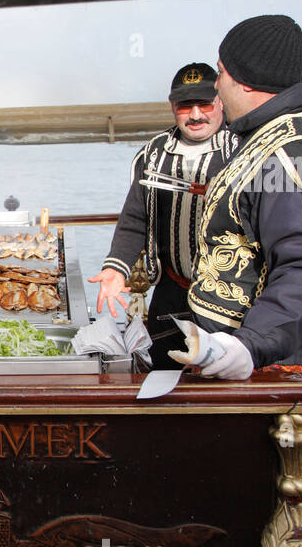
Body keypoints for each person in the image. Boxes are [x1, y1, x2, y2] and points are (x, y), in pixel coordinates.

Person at [172, 14, 302, 380]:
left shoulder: (284, 156)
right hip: (235, 349)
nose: (218, 85)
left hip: (262, 363)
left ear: (244, 81)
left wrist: (251, 344)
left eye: (222, 72)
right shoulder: (277, 137)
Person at [89, 62, 238, 368]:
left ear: (220, 102)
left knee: (221, 379)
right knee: (163, 371)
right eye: (186, 106)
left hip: (230, 297)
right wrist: (116, 268)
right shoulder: (154, 154)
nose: (196, 114)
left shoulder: (243, 151)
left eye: (204, 104)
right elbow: (134, 219)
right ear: (172, 107)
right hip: (172, 290)